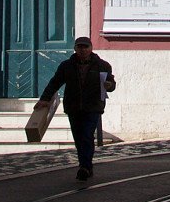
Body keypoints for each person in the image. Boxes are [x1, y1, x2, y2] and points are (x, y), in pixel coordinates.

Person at [35, 36, 114, 181]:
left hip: (93, 107)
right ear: (75, 49)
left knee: (87, 135)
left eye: (85, 47)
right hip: (73, 107)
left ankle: (84, 167)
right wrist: (45, 99)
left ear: (91, 48)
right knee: (79, 138)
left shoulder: (102, 65)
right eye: (79, 47)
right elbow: (55, 82)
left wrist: (110, 85)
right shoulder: (67, 66)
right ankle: (85, 165)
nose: (82, 50)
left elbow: (111, 82)